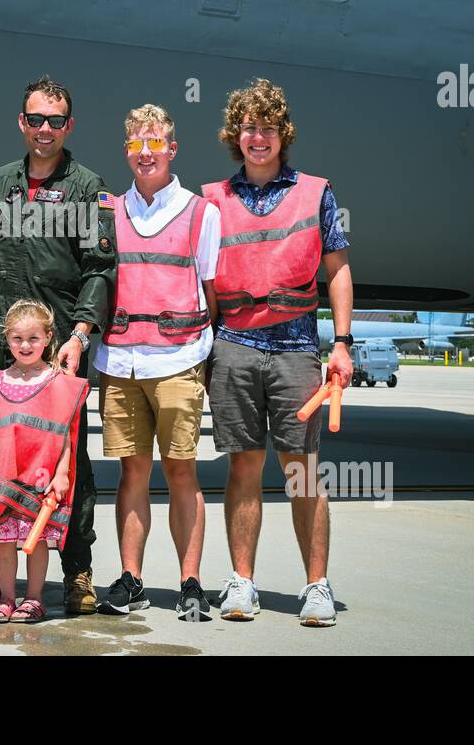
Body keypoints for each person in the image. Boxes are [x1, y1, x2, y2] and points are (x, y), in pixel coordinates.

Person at [205, 79, 353, 626]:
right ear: (235, 136)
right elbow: (202, 282)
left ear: (282, 134)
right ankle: (242, 581)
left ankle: (316, 586)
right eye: (249, 128)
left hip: (295, 348)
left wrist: (340, 344)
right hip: (235, 345)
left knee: (302, 471)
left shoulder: (317, 192)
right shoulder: (212, 198)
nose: (258, 137)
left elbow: (337, 273)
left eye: (268, 127)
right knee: (242, 466)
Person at [0, 75, 116, 614]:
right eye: (36, 119)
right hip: (1, 344)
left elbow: (100, 270)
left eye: (55, 120)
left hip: (61, 350)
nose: (45, 129)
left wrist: (79, 334)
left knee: (68, 460)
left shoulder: (86, 187)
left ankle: (77, 571)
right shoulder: (0, 185)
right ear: (22, 123)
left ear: (69, 125)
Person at [94, 105, 219, 621]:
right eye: (135, 145)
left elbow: (212, 292)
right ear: (127, 151)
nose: (145, 154)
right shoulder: (109, 212)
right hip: (120, 361)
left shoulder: (200, 212)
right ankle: (132, 580)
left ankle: (191, 583)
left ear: (171, 149)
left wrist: (204, 358)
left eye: (155, 144)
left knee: (182, 471)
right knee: (132, 473)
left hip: (178, 358)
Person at [0, 300, 88, 623]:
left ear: (48, 338)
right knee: (5, 541)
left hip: (40, 476)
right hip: (3, 474)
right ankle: (6, 596)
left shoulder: (56, 381)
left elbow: (65, 433)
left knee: (36, 542)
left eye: (33, 338)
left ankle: (33, 598)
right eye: (17, 339)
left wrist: (62, 473)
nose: (25, 345)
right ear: (7, 339)